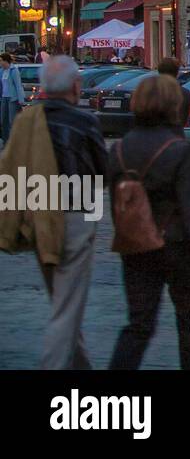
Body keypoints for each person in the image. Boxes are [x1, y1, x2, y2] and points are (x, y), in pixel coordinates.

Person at [0, 56, 107, 368]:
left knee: (62, 297)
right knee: (67, 304)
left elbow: (11, 167)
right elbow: (103, 171)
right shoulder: (85, 121)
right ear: (75, 86)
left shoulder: (26, 120)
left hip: (38, 213)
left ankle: (80, 365)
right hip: (75, 215)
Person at [107, 74, 190, 370]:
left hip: (137, 246)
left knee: (138, 325)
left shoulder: (118, 149)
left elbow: (116, 204)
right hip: (179, 246)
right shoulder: (177, 149)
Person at [155, 57, 190, 129]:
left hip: (153, 135)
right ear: (177, 73)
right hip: (176, 134)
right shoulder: (184, 93)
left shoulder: (149, 91)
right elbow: (183, 118)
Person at [0, 52, 27, 146]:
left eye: (1, 61)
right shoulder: (1, 71)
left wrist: (21, 100)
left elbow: (18, 86)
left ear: (5, 61)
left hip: (13, 99)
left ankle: (14, 143)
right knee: (3, 120)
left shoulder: (14, 70)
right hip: (4, 98)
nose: (0, 63)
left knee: (12, 121)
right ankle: (6, 141)